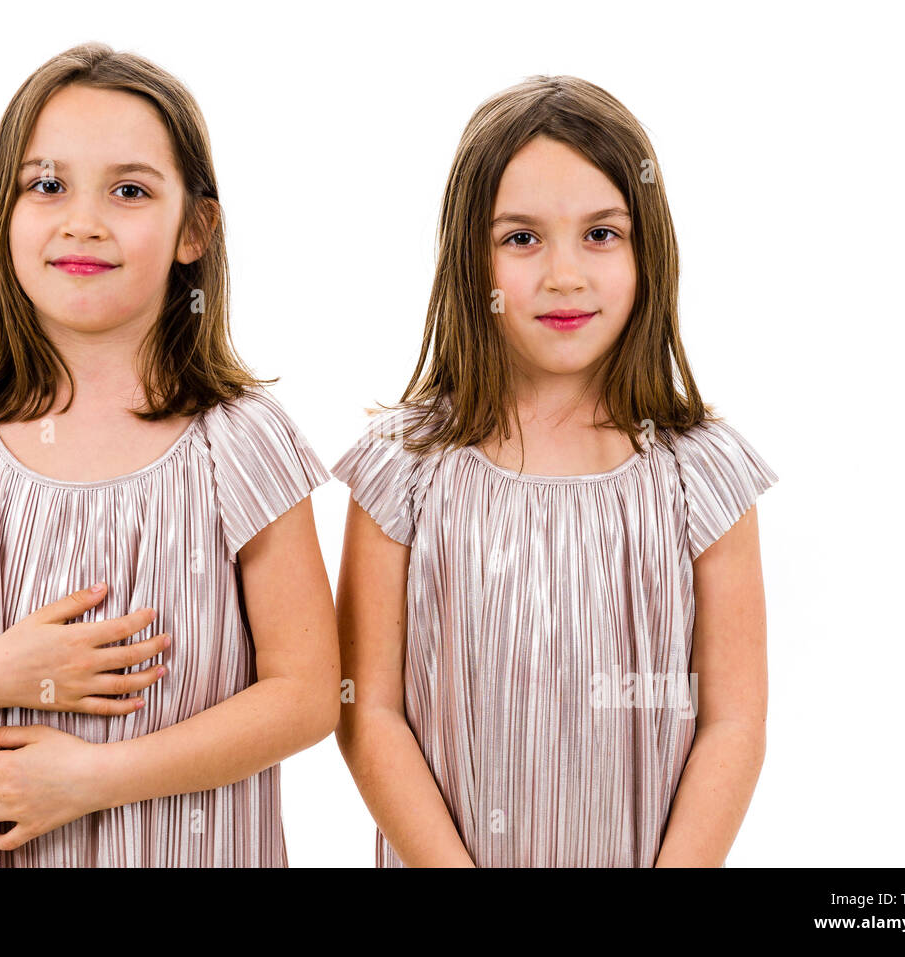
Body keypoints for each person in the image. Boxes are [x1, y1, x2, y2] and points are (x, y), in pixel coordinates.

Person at [0, 42, 339, 867]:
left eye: (131, 190)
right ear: (2, 213)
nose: (83, 220)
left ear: (196, 228)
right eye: (47, 185)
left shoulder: (242, 443)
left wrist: (97, 777)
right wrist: (3, 670)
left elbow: (308, 696)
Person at [331, 75, 778, 867]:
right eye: (522, 238)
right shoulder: (403, 471)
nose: (564, 274)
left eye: (601, 235)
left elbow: (732, 721)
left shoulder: (700, 476)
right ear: (473, 260)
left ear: (649, 251)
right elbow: (370, 714)